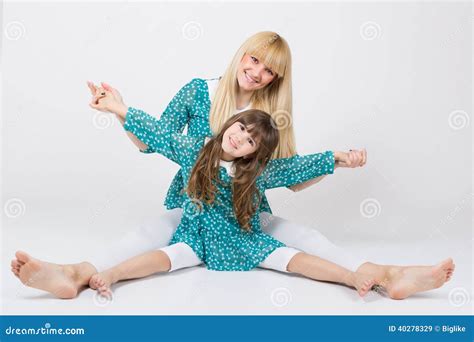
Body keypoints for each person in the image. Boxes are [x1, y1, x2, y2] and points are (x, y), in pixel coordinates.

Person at [11, 32, 454, 300]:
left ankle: (380, 275)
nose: (257, 72)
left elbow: (289, 174)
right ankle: (75, 273)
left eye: (269, 71)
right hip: (194, 203)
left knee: (306, 240)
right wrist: (121, 109)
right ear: (243, 55)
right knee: (149, 236)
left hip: (244, 213)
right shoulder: (199, 96)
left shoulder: (270, 124)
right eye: (254, 59)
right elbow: (158, 141)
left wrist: (335, 159)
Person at [88, 107, 380, 298]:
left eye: (250, 141)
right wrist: (119, 108)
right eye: (240, 127)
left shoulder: (257, 173)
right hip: (198, 235)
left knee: (293, 260)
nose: (239, 138)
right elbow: (160, 134)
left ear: (254, 154)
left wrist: (338, 158)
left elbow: (295, 167)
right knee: (166, 258)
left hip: (243, 238)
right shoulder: (195, 150)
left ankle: (351, 278)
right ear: (231, 123)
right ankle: (112, 274)